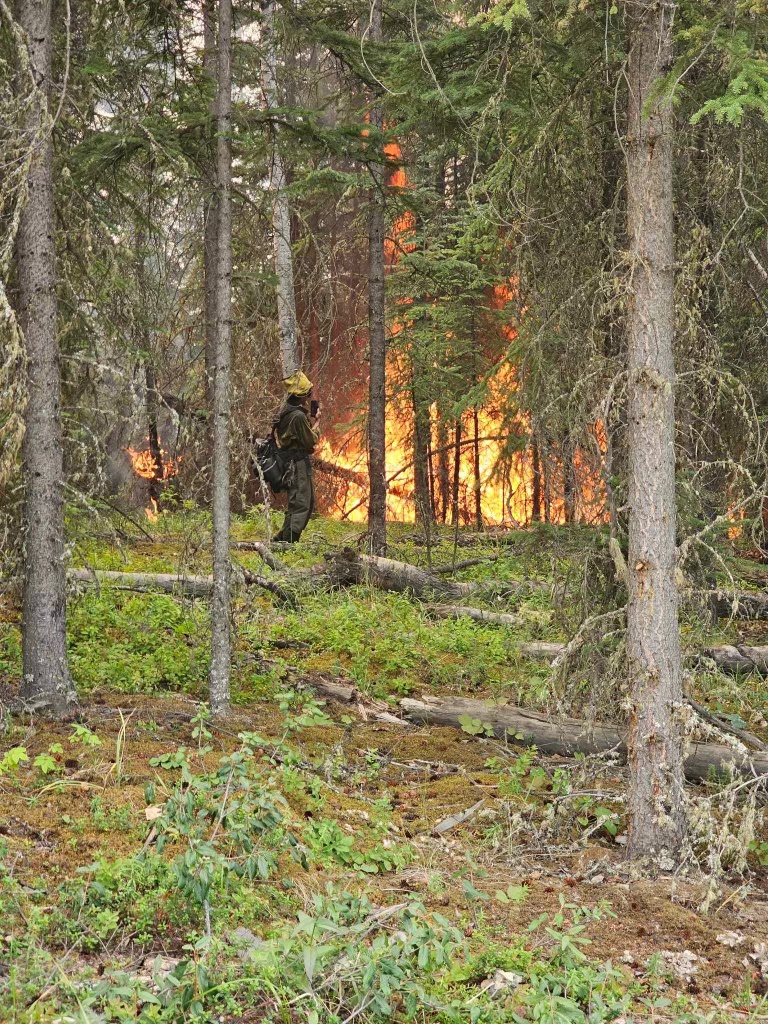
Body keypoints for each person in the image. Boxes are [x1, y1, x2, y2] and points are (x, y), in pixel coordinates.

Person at [273, 370, 320, 543]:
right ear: (301, 395)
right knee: (301, 502)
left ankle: (283, 539)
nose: (309, 396)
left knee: (299, 501)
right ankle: (289, 542)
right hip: (297, 463)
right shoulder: (298, 416)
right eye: (307, 393)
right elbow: (310, 441)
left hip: (290, 461)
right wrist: (317, 424)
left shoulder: (286, 409)